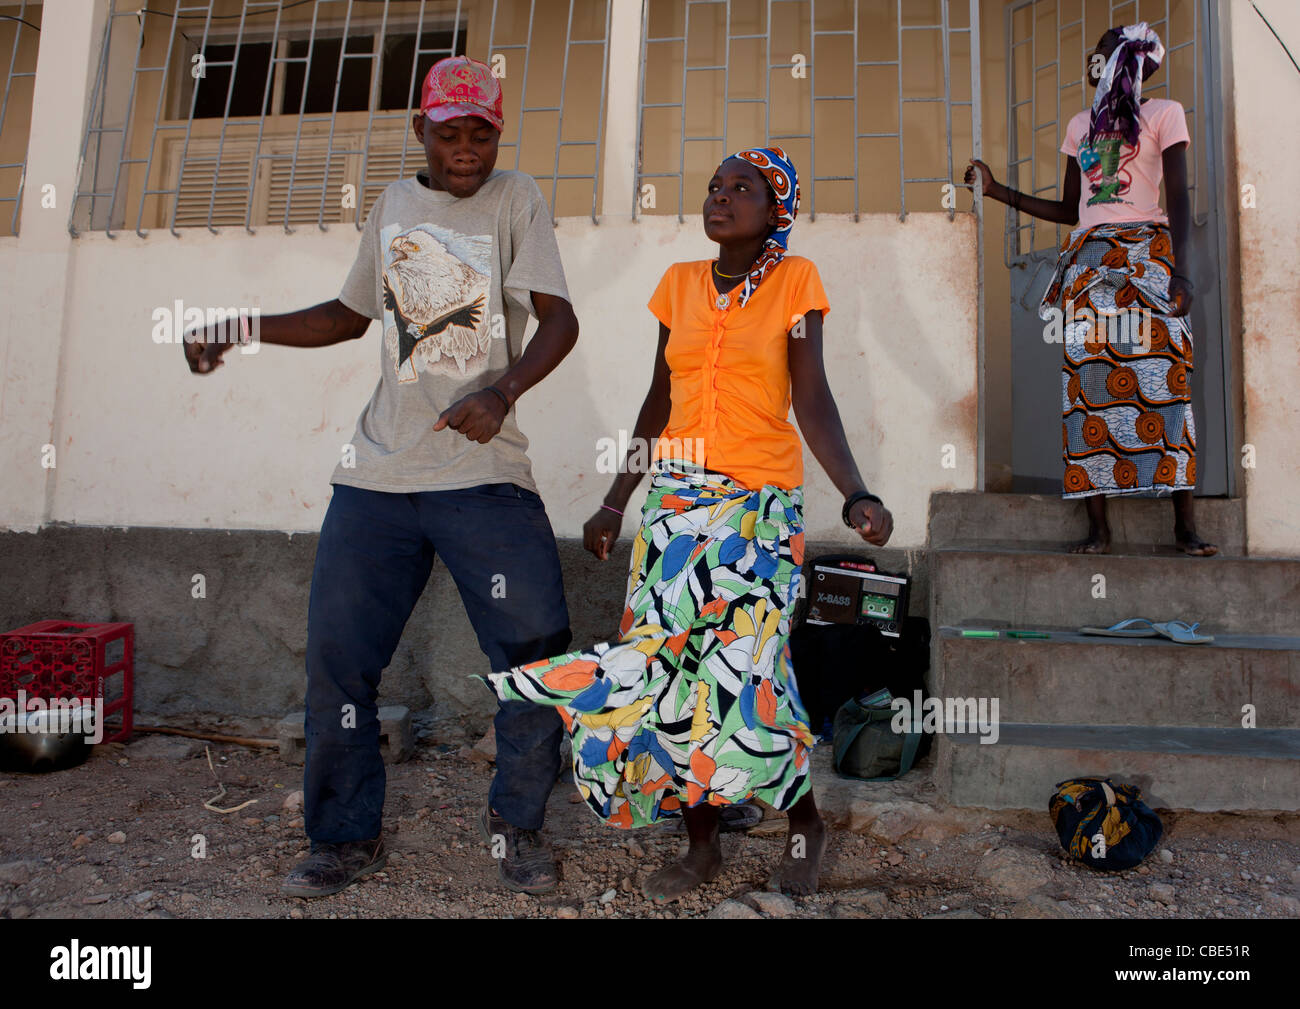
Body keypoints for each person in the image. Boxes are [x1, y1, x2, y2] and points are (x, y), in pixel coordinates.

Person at [184, 55, 581, 897]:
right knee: (339, 660)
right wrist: (242, 323)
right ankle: (342, 837)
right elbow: (346, 315)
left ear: (496, 135)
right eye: (450, 133)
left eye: (482, 132)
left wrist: (502, 389)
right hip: (378, 479)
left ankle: (520, 824)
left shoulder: (517, 199)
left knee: (535, 655)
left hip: (484, 476)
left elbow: (560, 318)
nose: (466, 149)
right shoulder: (394, 205)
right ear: (421, 131)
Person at [480, 146, 894, 902]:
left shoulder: (796, 283)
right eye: (714, 186)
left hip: (756, 507)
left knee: (751, 673)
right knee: (676, 677)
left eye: (744, 189)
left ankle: (804, 820)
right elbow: (656, 399)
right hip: (675, 504)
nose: (721, 197)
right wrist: (616, 499)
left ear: (777, 211)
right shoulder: (679, 286)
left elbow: (813, 396)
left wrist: (855, 492)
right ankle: (700, 844)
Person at [966, 23, 1216, 556]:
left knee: (1166, 381)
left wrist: (1184, 274)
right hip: (1088, 267)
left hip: (1149, 261)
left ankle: (1184, 527)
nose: (1091, 61)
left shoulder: (1164, 115)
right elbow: (1069, 211)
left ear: (1127, 60)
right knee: (1089, 392)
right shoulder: (1081, 126)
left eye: (1101, 52)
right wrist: (995, 191)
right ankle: (1099, 529)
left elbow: (1177, 203)